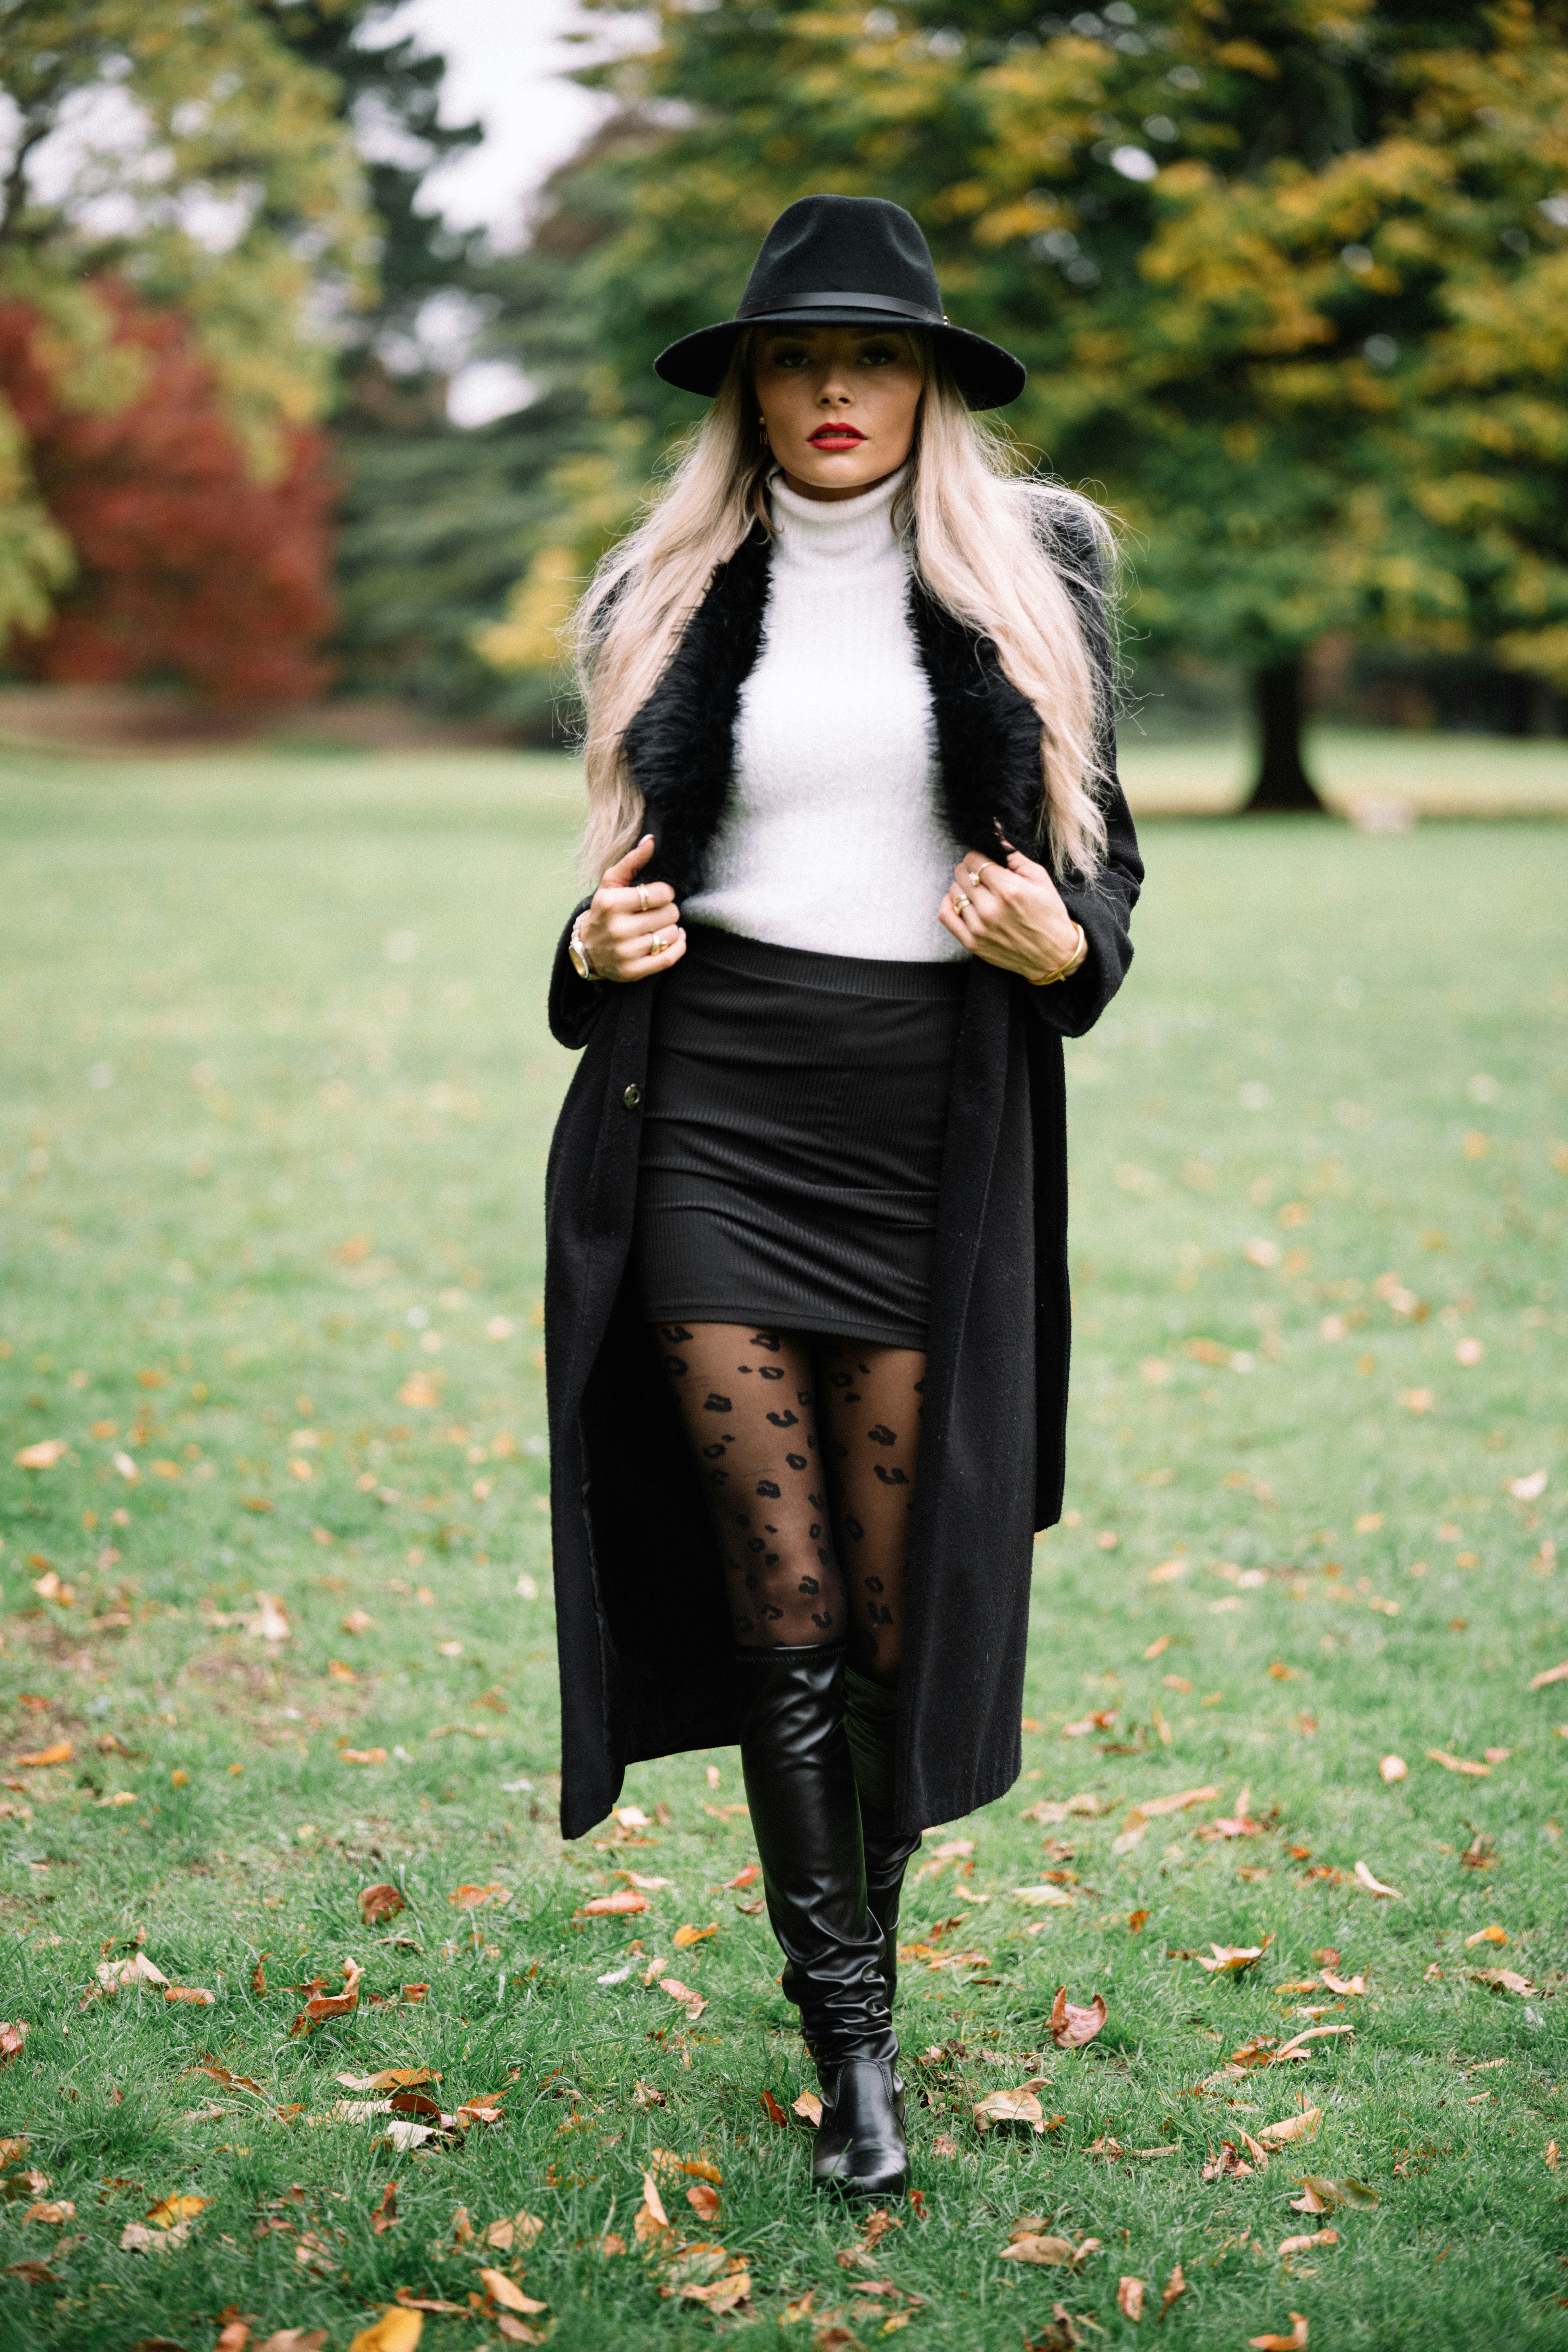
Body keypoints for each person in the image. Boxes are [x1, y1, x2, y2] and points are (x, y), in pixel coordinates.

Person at [543, 194, 1142, 2198]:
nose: (830, 392)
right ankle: (852, 2045)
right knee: (783, 1602)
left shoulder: (1040, 572)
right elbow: (608, 904)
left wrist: (1071, 950)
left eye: (868, 358)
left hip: (928, 1136)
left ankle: (862, 1960)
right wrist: (584, 956)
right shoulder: (655, 583)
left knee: (892, 1612)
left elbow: (1106, 880)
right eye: (793, 359)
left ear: (930, 384)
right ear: (744, 386)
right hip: (707, 1118)